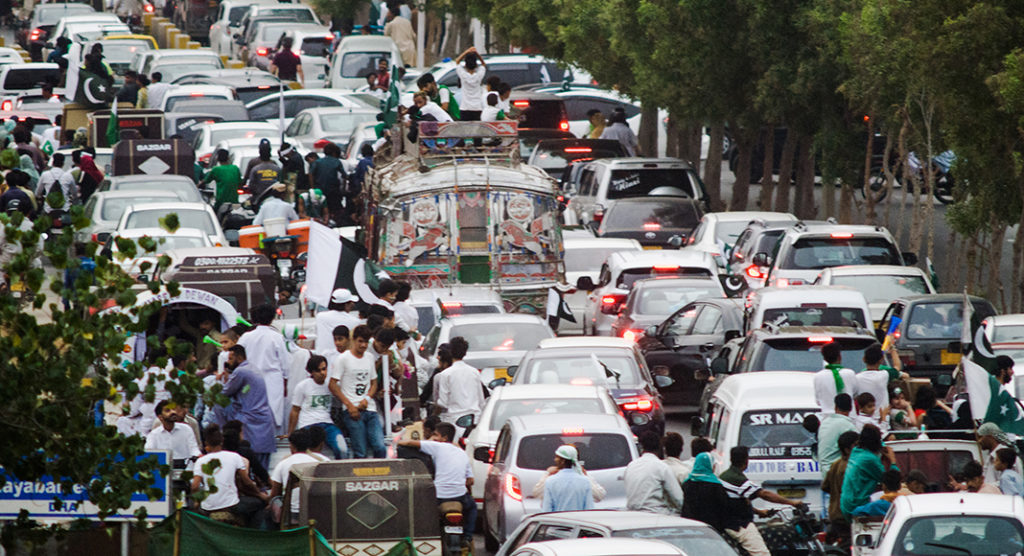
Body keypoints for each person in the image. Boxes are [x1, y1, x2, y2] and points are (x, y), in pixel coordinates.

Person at [396, 422, 475, 548]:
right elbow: (470, 481)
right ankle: (468, 537)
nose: (434, 437)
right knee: (472, 508)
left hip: (439, 496)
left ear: (444, 438)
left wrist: (396, 441)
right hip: (460, 496)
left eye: (436, 435)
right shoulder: (461, 452)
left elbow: (409, 443)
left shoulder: (437, 446)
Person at [719, 446, 804, 556]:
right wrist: (792, 502)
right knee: (762, 554)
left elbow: (736, 502)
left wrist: (759, 512)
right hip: (739, 525)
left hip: (731, 522)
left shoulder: (726, 475)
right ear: (746, 460)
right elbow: (764, 494)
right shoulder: (736, 479)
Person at [191, 425, 267, 527]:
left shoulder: (201, 461)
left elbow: (195, 486)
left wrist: (197, 502)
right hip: (231, 505)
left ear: (206, 444)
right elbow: (247, 482)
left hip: (207, 507)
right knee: (259, 504)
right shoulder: (234, 457)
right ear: (222, 441)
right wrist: (260, 494)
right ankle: (253, 533)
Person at [329, 325, 386, 458]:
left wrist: (367, 399)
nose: (363, 345)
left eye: (366, 342)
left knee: (380, 446)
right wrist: (349, 406)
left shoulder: (370, 357)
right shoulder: (343, 359)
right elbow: (332, 385)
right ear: (353, 340)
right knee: (361, 450)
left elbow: (373, 383)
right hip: (351, 411)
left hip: (370, 409)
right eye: (360, 341)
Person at [221, 345, 277, 470]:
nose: (228, 362)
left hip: (250, 420)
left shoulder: (241, 371)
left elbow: (225, 392)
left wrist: (223, 378)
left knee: (248, 465)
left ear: (239, 358)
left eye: (230, 359)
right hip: (263, 420)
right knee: (262, 468)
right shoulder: (253, 368)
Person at [237, 304, 291, 431]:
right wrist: (285, 383)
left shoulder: (246, 337)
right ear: (272, 318)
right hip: (273, 381)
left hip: (251, 380)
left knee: (252, 412)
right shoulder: (277, 337)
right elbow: (285, 364)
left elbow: (236, 355)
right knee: (273, 413)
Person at [288, 355, 347, 459]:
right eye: (318, 370)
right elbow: (295, 410)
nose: (322, 373)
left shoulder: (331, 386)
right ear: (311, 372)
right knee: (309, 455)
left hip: (327, 424)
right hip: (308, 424)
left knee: (342, 449)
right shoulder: (303, 386)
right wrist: (290, 434)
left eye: (324, 369)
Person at [840, 424, 899, 518]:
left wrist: (882, 445)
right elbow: (891, 481)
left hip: (846, 504)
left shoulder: (856, 451)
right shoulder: (870, 460)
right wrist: (893, 461)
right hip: (856, 506)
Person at [269, 428, 321, 525]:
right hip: (314, 513)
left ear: (291, 445)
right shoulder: (318, 464)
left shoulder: (283, 464)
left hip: (290, 515)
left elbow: (275, 494)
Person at [623, 431, 683, 514]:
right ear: (660, 448)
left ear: (641, 447)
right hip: (656, 514)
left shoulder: (631, 466)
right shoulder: (662, 467)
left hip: (632, 513)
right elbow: (678, 498)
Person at [434, 336, 485, 433]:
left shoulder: (445, 374)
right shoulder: (474, 372)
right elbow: (481, 400)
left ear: (451, 352)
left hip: (455, 420)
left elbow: (443, 402)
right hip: (475, 418)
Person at [821, 430, 859, 544]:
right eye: (856, 446)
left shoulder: (835, 464)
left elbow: (825, 487)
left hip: (835, 514)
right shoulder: (850, 467)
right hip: (846, 516)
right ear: (847, 449)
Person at [681, 452, 732, 532]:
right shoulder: (716, 485)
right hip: (711, 529)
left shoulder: (687, 483)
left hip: (690, 527)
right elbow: (724, 507)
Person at [856, 343, 907, 418]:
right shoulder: (884, 375)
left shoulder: (856, 378)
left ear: (864, 359)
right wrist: (892, 349)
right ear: (881, 360)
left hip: (861, 420)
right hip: (881, 421)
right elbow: (897, 366)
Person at [538, 445, 593, 512]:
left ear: (562, 461)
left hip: (558, 521)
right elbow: (589, 508)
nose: (555, 459)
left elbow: (546, 510)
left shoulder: (550, 481)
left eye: (557, 457)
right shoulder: (585, 481)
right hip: (579, 521)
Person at [817, 393, 857, 477]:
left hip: (824, 473)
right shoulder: (848, 426)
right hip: (838, 474)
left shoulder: (824, 423)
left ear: (835, 407)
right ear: (851, 408)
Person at [813, 341, 858, 414]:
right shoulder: (850, 373)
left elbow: (818, 401)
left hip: (828, 418)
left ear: (824, 359)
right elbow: (856, 395)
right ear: (840, 357)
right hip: (849, 417)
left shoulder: (818, 376)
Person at [315, 288, 361, 355]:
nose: (353, 304)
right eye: (351, 302)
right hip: (344, 360)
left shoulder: (320, 317)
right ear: (346, 305)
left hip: (321, 360)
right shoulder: (355, 322)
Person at [308, 142, 345, 225]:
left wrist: (313, 188)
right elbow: (344, 175)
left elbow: (310, 174)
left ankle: (322, 222)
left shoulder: (317, 162)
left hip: (320, 190)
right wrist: (343, 188)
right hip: (333, 190)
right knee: (334, 208)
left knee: (320, 208)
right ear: (334, 152)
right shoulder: (337, 162)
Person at [454, 47, 486, 120]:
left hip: (465, 107)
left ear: (465, 65)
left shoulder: (463, 75)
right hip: (477, 107)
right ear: (476, 65)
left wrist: (466, 51)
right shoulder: (479, 75)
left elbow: (457, 61)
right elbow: (483, 64)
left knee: (465, 130)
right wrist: (477, 54)